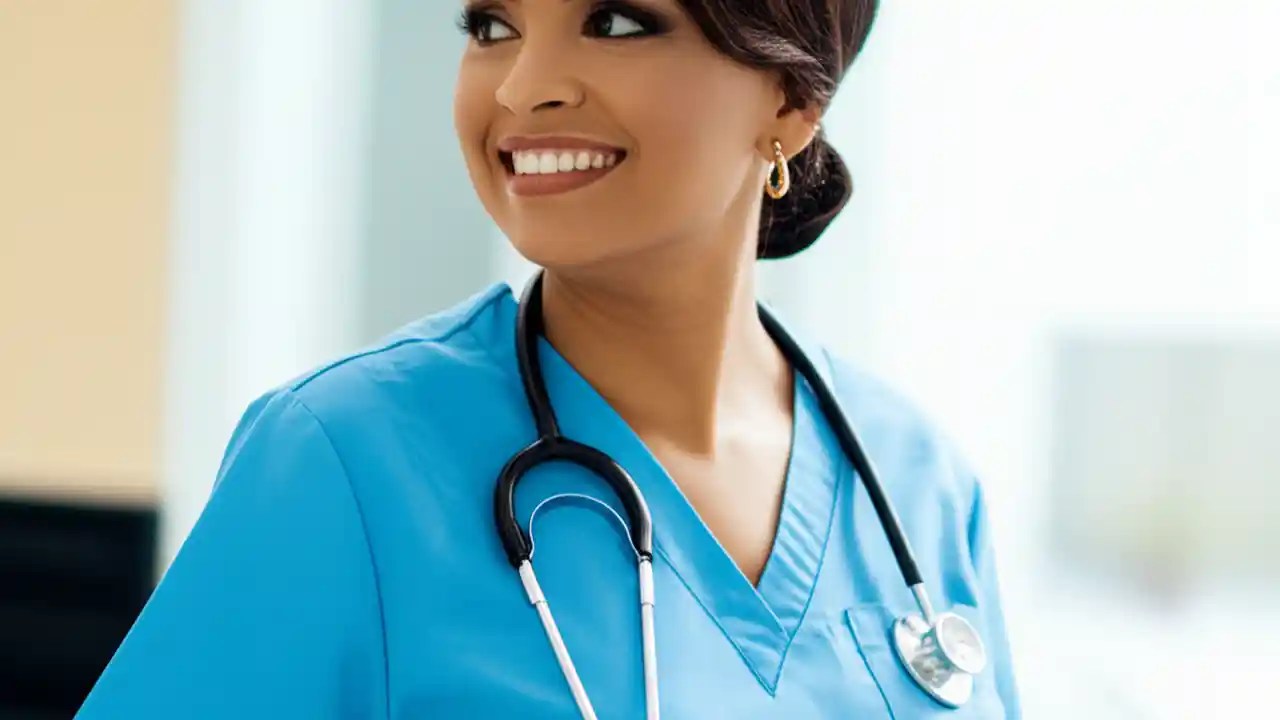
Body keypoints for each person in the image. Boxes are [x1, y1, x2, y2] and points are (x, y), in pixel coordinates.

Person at [77, 0, 1021, 717]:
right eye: (492, 24)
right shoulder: (343, 460)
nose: (523, 85)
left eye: (612, 22)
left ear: (793, 97)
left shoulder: (917, 483)